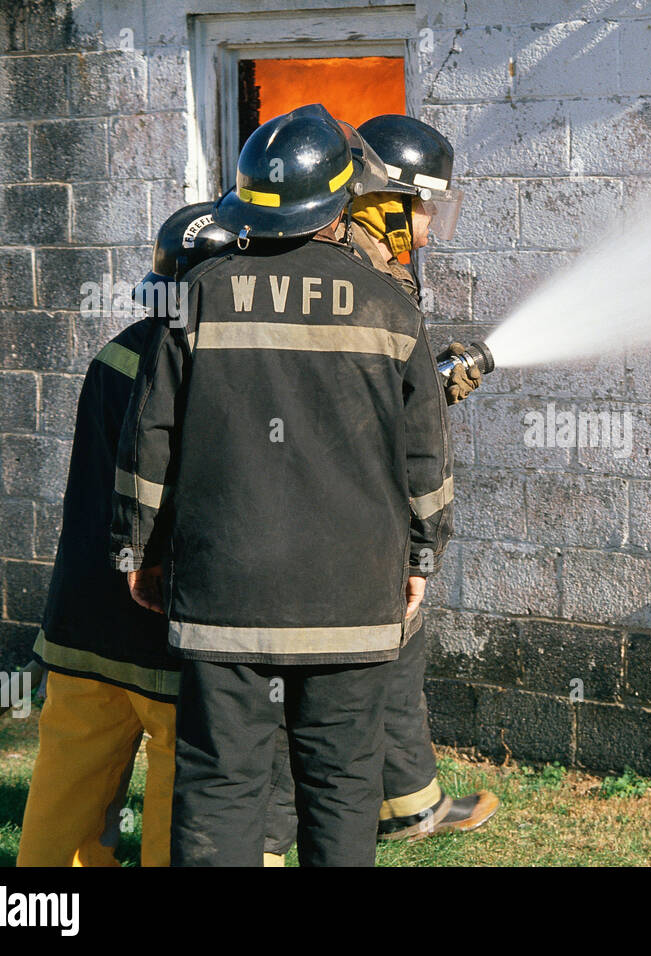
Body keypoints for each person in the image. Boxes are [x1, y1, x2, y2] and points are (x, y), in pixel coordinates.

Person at [110, 104, 452, 867]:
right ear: (342, 202)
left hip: (225, 597)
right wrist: (420, 560)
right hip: (353, 599)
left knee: (222, 783)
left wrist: (138, 549)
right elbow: (425, 464)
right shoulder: (391, 307)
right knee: (342, 783)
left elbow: (149, 441)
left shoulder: (195, 297)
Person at [266, 115, 495, 852]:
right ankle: (273, 834)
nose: (431, 226)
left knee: (398, 654)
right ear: (384, 202)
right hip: (331, 520)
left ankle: (408, 804)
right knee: (293, 703)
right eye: (425, 208)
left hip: (366, 510)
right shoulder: (346, 267)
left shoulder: (378, 260)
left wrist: (431, 384)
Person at [16, 204, 234, 867]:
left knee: (65, 802)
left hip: (82, 622)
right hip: (167, 636)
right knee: (182, 807)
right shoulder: (219, 372)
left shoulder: (116, 353)